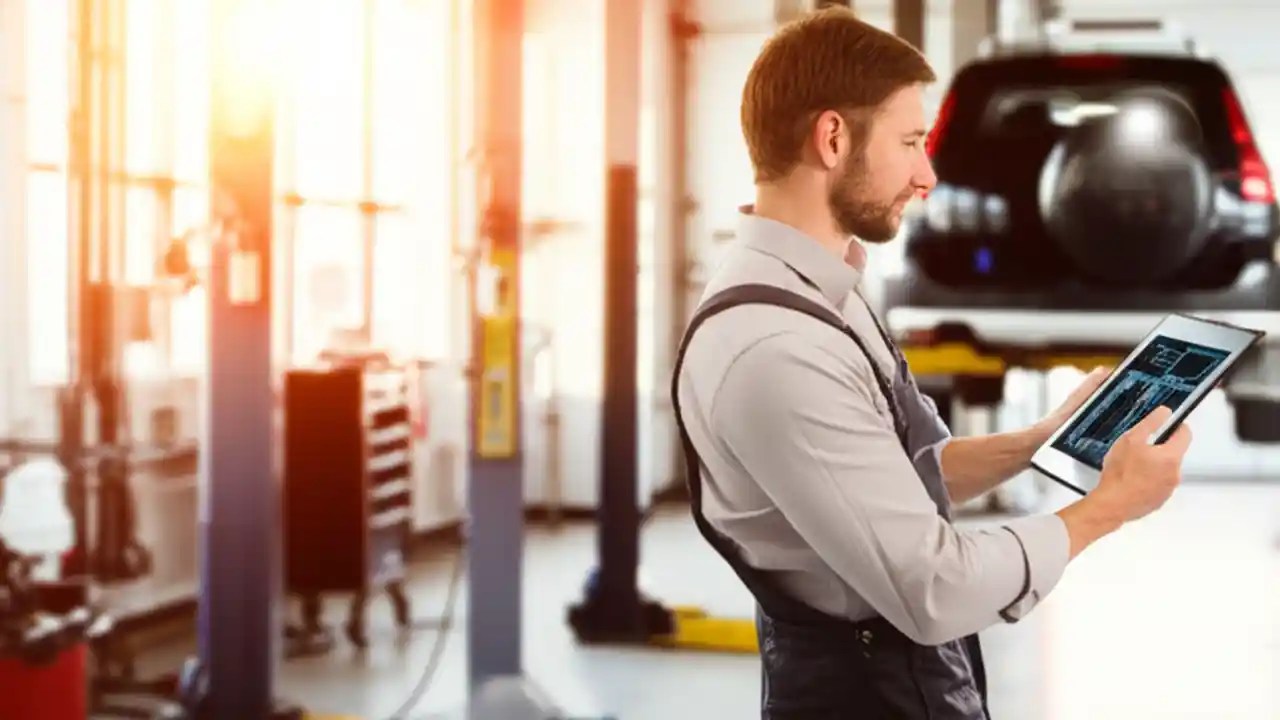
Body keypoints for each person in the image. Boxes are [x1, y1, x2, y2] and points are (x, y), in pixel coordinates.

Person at [670, 8, 1193, 719]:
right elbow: (935, 589)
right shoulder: (778, 350)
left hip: (895, 672)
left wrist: (1041, 439)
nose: (927, 174)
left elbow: (905, 472)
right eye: (911, 141)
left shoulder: (821, 289)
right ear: (832, 139)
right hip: (861, 695)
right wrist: (1108, 509)